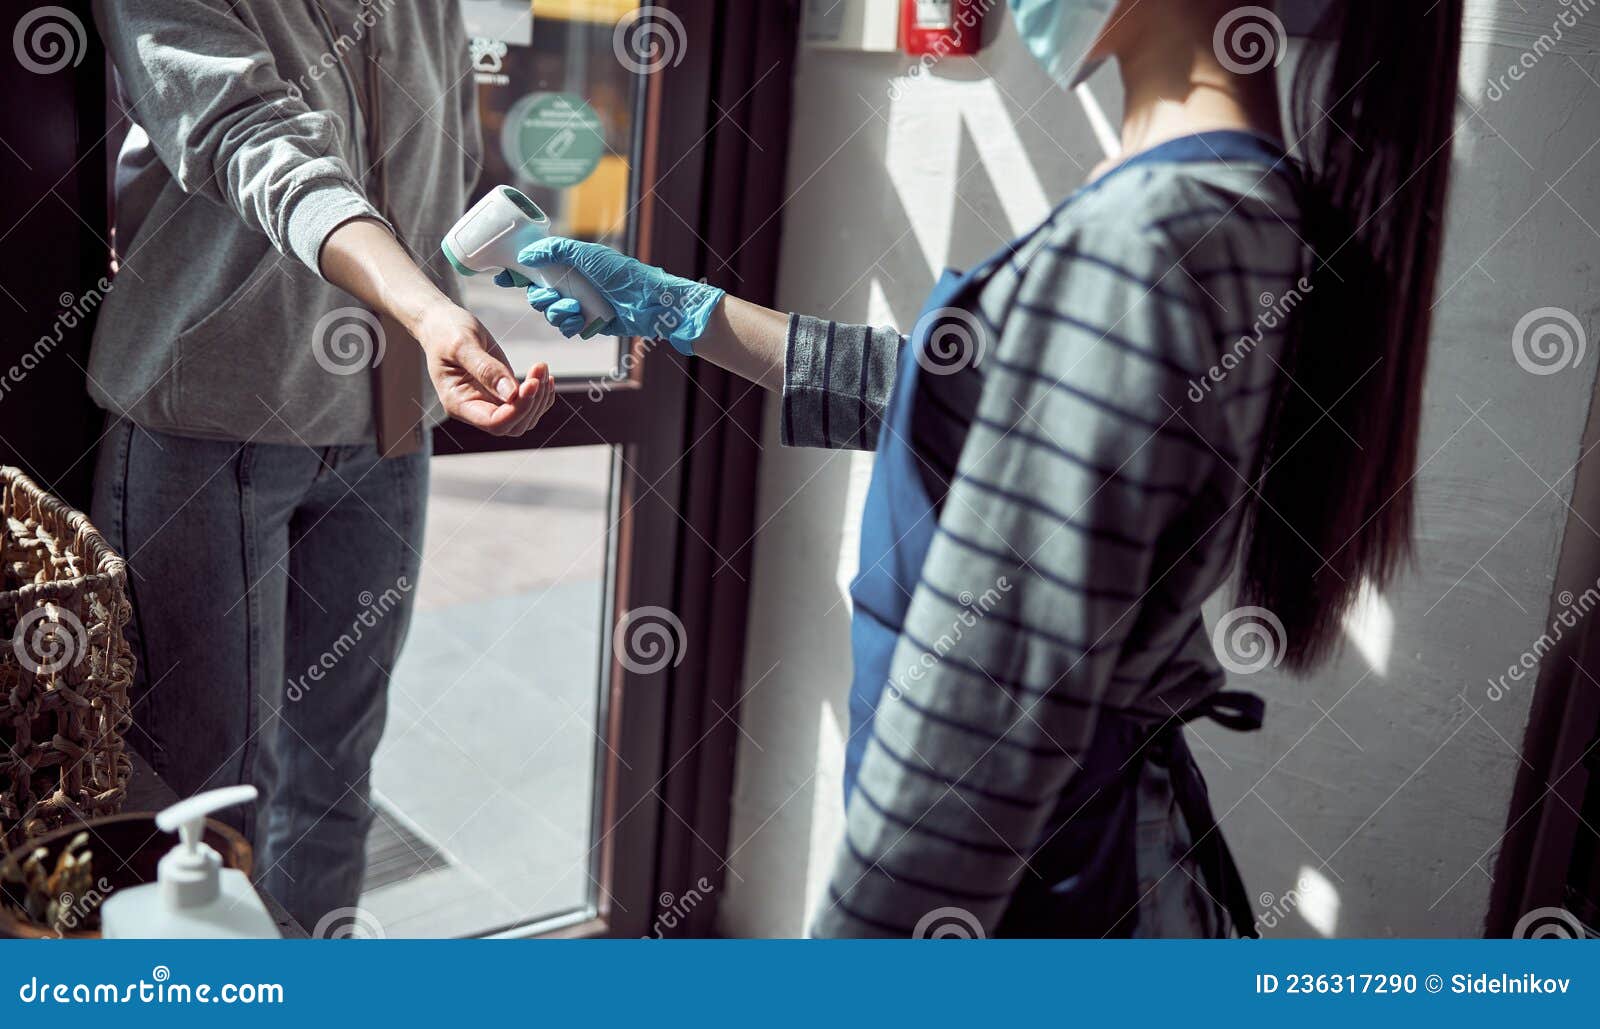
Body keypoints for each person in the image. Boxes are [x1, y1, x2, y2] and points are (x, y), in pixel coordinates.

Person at [499, 0, 1463, 936]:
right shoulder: (1242, 207)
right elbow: (969, 402)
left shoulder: (1148, 243)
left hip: (1023, 892)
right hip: (1109, 857)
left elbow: (969, 744)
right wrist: (673, 308)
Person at [88, 0, 554, 932]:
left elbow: (445, 167)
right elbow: (248, 136)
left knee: (335, 783)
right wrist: (426, 312)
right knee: (201, 809)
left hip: (384, 425)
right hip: (211, 415)